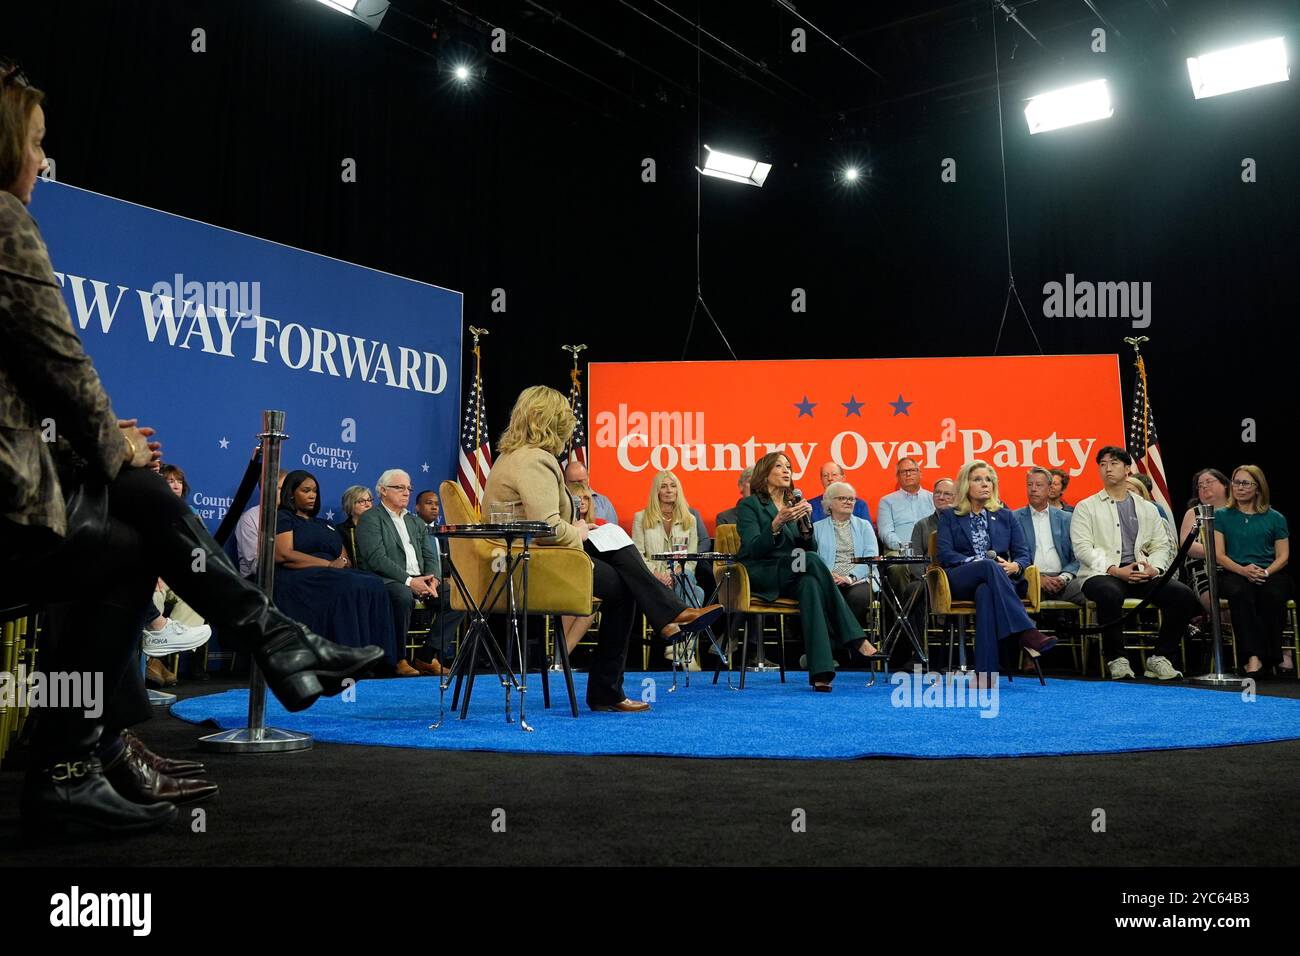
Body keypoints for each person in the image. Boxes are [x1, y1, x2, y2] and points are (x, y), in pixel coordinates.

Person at [0, 60, 382, 836]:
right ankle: (80, 757)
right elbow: (63, 370)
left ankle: (89, 751)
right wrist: (108, 444)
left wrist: (104, 446)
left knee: (132, 510)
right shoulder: (3, 222)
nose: (44, 161)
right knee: (133, 532)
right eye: (37, 143)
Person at [482, 386, 721, 712]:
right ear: (554, 422)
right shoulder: (534, 460)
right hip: (531, 563)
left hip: (536, 556)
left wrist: (582, 530)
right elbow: (548, 528)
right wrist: (578, 530)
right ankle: (658, 629)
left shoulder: (515, 456)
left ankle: (668, 617)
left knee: (614, 551)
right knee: (624, 587)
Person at [736, 452, 880, 692]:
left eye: (789, 467)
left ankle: (821, 673)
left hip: (793, 570)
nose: (786, 471)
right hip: (760, 571)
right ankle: (856, 637)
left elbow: (807, 549)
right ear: (765, 473)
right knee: (810, 562)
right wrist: (776, 524)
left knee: (811, 584)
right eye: (779, 466)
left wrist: (806, 529)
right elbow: (752, 549)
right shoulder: (750, 505)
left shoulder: (794, 504)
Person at [1070, 446, 1201, 680]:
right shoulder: (1086, 506)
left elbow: (1161, 545)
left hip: (1141, 573)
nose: (1108, 468)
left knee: (1184, 596)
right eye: (1102, 464)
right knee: (1109, 593)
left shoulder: (1147, 508)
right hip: (1101, 574)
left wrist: (1154, 568)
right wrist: (1114, 569)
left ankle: (1160, 657)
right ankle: (1117, 659)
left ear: (1128, 469)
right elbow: (1083, 549)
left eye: (1114, 463)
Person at [273, 470, 405, 673]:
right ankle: (347, 658)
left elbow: (344, 557)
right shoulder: (283, 518)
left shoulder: (324, 523)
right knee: (349, 583)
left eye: (315, 491)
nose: (312, 495)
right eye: (306, 490)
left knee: (373, 582)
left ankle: (379, 658)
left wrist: (340, 562)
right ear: (291, 494)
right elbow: (284, 555)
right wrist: (326, 565)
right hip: (298, 575)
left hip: (332, 572)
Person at [936, 461, 1054, 684]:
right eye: (977, 479)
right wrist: (977, 561)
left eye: (988, 480)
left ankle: (986, 675)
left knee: (985, 593)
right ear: (965, 485)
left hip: (996, 583)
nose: (984, 484)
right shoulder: (950, 515)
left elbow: (1023, 554)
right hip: (960, 578)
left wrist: (1015, 566)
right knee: (988, 565)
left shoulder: (1005, 515)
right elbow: (945, 554)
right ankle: (1027, 632)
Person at [355, 470, 451, 676]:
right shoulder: (371, 518)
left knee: (458, 598)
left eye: (408, 488)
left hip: (421, 580)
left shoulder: (416, 522)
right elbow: (376, 558)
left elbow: (430, 556)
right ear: (382, 491)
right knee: (402, 596)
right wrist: (410, 581)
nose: (406, 492)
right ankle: (398, 658)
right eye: (399, 487)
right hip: (387, 580)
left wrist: (432, 579)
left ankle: (426, 656)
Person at [1214, 465, 1292, 676]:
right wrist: (1243, 570)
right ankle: (1253, 656)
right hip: (1234, 571)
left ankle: (1272, 656)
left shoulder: (1276, 517)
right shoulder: (1221, 515)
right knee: (1241, 593)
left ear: (1258, 488)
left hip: (1269, 571)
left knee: (1273, 594)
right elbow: (1219, 554)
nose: (1239, 487)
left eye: (1245, 483)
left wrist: (1265, 573)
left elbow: (1283, 556)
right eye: (1236, 482)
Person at [145, 462, 213, 686]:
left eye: (179, 481)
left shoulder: (191, 515)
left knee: (198, 596)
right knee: (150, 593)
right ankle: (151, 661)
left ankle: (156, 659)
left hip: (178, 577)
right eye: (169, 480)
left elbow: (200, 552)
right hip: (155, 577)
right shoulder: (147, 508)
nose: (175, 485)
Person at [633, 470, 706, 669]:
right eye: (663, 486)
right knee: (697, 593)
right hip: (652, 581)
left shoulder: (689, 519)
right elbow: (638, 555)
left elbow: (691, 559)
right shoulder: (641, 518)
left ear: (678, 490)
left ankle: (681, 643)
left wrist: (675, 575)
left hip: (680, 578)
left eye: (673, 486)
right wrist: (657, 575)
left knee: (690, 580)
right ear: (656, 491)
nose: (668, 490)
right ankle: (686, 647)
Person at [811, 480, 879, 628]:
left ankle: (843, 645)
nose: (848, 502)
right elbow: (813, 558)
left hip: (860, 579)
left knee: (856, 597)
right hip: (829, 578)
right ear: (829, 503)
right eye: (842, 498)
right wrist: (828, 575)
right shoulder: (816, 528)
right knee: (820, 597)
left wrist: (850, 578)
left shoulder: (864, 526)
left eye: (851, 498)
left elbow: (871, 558)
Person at [1014, 467, 1085, 605]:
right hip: (1029, 580)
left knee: (1090, 588)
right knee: (1015, 590)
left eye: (1039, 485)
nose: (1033, 489)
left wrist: (1063, 578)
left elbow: (1078, 555)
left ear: (1049, 488)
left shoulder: (1067, 518)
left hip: (1064, 579)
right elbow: (1012, 557)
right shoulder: (1014, 518)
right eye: (1029, 484)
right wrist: (1037, 579)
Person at [878, 457, 936, 599]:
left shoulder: (933, 498)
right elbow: (886, 532)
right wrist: (907, 548)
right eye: (903, 472)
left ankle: (936, 616)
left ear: (920, 473)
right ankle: (906, 614)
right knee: (898, 568)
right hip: (899, 551)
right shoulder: (887, 501)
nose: (908, 474)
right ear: (898, 477)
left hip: (930, 550)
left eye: (911, 470)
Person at [1179, 468, 1231, 613]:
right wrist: (1219, 552)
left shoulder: (1238, 511)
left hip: (1237, 566)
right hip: (1203, 568)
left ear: (1225, 484)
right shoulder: (1193, 513)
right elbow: (1186, 545)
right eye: (1200, 485)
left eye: (1209, 482)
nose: (1204, 487)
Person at [235, 471, 285, 577]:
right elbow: (255, 565)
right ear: (267, 490)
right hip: (256, 583)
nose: (287, 493)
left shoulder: (293, 517)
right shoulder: (250, 518)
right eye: (281, 488)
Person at [808, 462, 873, 524]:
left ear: (843, 478)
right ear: (821, 480)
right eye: (825, 476)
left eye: (834, 475)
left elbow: (867, 533)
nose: (830, 478)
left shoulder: (859, 505)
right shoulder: (811, 506)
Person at [562, 458, 618, 525]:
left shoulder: (603, 502)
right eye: (573, 482)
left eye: (581, 481)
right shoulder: (558, 501)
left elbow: (612, 531)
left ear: (587, 478)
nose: (577, 485)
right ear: (565, 480)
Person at [336, 484, 373, 566]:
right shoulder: (340, 531)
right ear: (350, 505)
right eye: (362, 501)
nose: (368, 505)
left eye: (369, 500)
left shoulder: (379, 527)